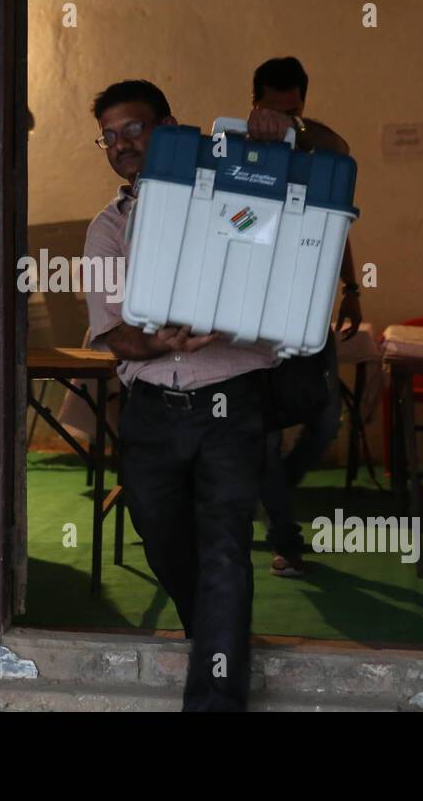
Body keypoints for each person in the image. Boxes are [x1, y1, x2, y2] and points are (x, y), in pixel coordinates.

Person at [82, 80, 279, 712]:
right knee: (162, 535)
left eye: (134, 128)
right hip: (152, 411)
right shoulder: (107, 229)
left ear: (169, 125)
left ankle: (214, 699)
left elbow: (266, 241)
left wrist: (267, 142)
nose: (121, 144)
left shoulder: (233, 194)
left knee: (224, 545)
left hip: (231, 399)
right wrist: (160, 340)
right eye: (109, 136)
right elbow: (113, 332)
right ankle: (211, 639)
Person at [245, 57, 362, 578]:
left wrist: (352, 289)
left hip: (310, 308)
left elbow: (336, 221)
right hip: (250, 313)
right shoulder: (234, 149)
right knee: (265, 431)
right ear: (255, 103)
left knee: (324, 419)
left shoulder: (320, 148)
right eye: (274, 109)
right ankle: (284, 539)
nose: (284, 118)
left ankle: (269, 498)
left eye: (293, 110)